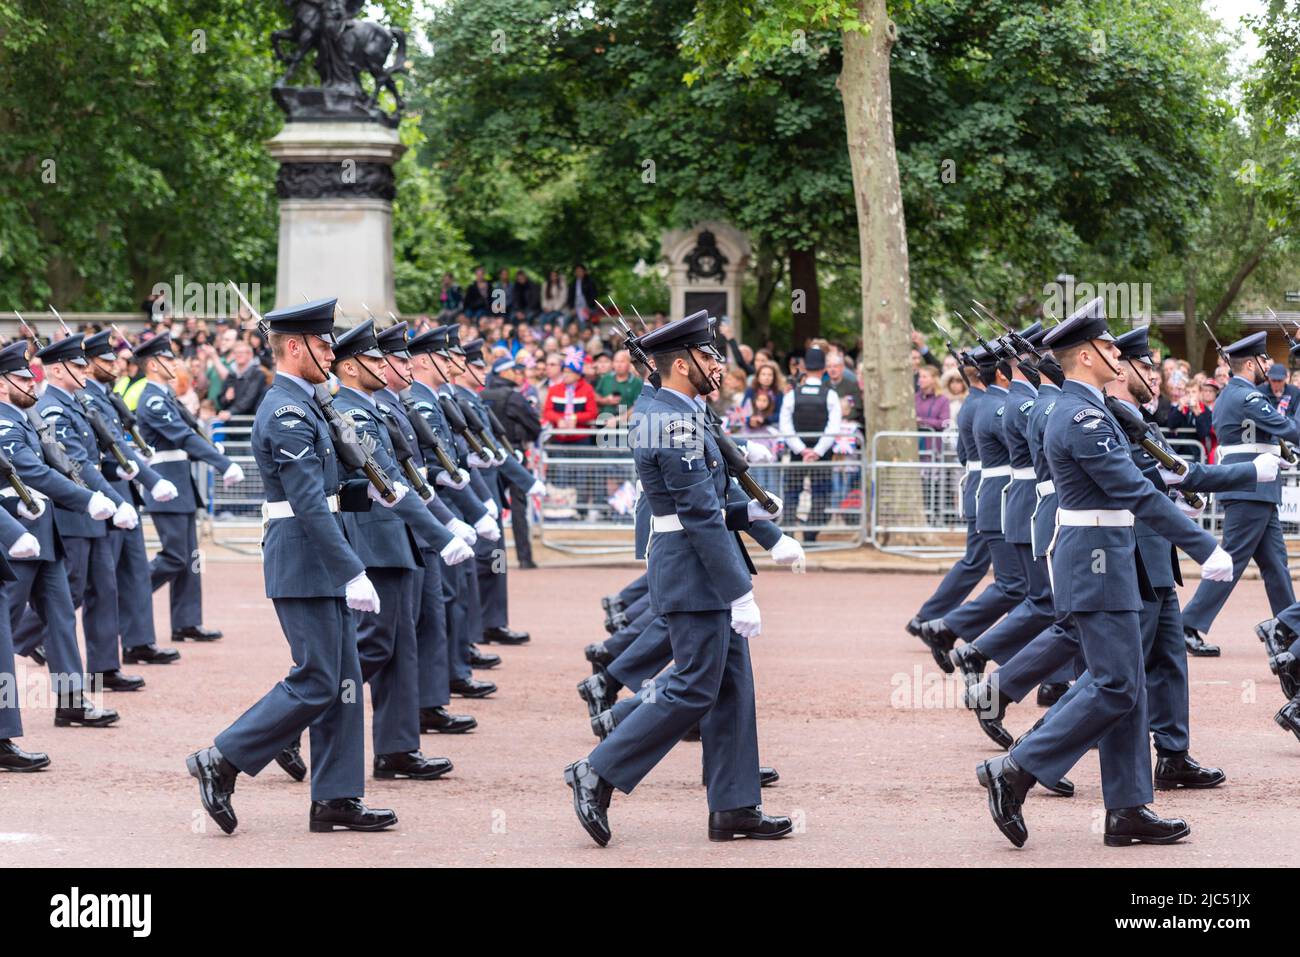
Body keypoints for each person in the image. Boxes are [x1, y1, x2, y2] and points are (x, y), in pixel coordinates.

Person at [976, 297, 1234, 849]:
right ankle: (1016, 769)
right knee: (1117, 683)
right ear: (1087, 355)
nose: (1118, 352)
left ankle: (1128, 809)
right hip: (1095, 561)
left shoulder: (1094, 409)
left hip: (1110, 557)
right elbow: (1134, 490)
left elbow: (1139, 483)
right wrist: (1203, 544)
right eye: (1110, 345)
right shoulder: (1082, 416)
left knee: (1130, 687)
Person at [563, 310, 791, 846]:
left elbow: (712, 499)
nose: (719, 367)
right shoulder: (673, 420)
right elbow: (699, 515)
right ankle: (598, 769)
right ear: (684, 364)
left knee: (732, 689)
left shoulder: (677, 410)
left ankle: (734, 805)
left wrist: (761, 523)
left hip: (697, 564)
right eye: (710, 357)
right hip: (693, 570)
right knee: (692, 686)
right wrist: (740, 590)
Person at [186, 299, 396, 835]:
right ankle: (223, 757)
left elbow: (325, 492)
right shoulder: (285, 411)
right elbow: (304, 503)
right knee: (318, 679)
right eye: (325, 343)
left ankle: (336, 798)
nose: (332, 352)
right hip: (305, 558)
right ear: (297, 346)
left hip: (322, 551)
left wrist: (364, 491)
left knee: (344, 681)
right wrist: (351, 569)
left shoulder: (309, 404)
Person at [329, 319, 469, 782]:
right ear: (350, 368)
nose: (395, 364)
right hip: (374, 538)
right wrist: (443, 532)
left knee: (399, 647)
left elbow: (408, 479)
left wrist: (443, 522)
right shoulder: (349, 411)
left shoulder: (372, 408)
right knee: (373, 646)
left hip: (395, 536)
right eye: (377, 357)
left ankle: (397, 747)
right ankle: (302, 719)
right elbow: (388, 486)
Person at [10, 334, 146, 693]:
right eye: (78, 365)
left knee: (97, 590)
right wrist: (99, 499)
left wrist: (120, 484)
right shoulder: (49, 407)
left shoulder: (72, 403)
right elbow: (70, 464)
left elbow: (91, 458)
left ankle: (98, 672)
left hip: (81, 506)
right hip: (64, 512)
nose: (86, 371)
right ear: (58, 369)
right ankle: (21, 643)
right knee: (63, 597)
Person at [1180, 331, 1300, 656]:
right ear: (1250, 364)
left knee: (1276, 565)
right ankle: (1187, 624)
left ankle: (1288, 629)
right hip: (1250, 489)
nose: (1267, 365)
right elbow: (1288, 427)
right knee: (1231, 560)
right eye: (1263, 360)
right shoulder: (1246, 396)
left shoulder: (1237, 394)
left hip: (1255, 489)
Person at [78, 330, 182, 669]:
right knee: (96, 580)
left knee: (134, 569)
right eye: (107, 360)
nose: (116, 364)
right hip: (105, 490)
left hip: (125, 488)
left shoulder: (107, 395)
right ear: (89, 364)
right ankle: (30, 633)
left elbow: (120, 440)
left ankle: (138, 641)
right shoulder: (88, 397)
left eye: (115, 358)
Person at [133, 333, 245, 643]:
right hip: (165, 482)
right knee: (175, 557)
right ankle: (129, 596)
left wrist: (213, 452)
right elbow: (183, 436)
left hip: (179, 481)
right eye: (168, 359)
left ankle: (186, 622)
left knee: (189, 560)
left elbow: (189, 434)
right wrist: (221, 463)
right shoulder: (153, 399)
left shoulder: (165, 395)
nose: (175, 363)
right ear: (154, 365)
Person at [480, 355, 543, 569]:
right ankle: (524, 559)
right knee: (518, 507)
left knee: (491, 508)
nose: (518, 375)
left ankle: (494, 561)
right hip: (513, 454)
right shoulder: (513, 396)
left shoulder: (482, 394)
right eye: (514, 371)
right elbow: (535, 425)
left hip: (487, 456)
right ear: (504, 372)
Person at [778, 347, 840, 542]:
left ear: (804, 368)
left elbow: (785, 425)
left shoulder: (792, 395)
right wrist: (818, 450)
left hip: (797, 452)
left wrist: (801, 449)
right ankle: (811, 537)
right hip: (822, 454)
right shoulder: (830, 395)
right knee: (821, 492)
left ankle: (787, 534)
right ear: (824, 370)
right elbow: (833, 427)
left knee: (792, 491)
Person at [217, 340, 269, 419]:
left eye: (241, 352)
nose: (238, 355)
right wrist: (226, 399)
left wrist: (231, 412)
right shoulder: (231, 375)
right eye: (236, 353)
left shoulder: (257, 374)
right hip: (231, 422)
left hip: (249, 422)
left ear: (250, 355)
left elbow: (249, 399)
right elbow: (221, 399)